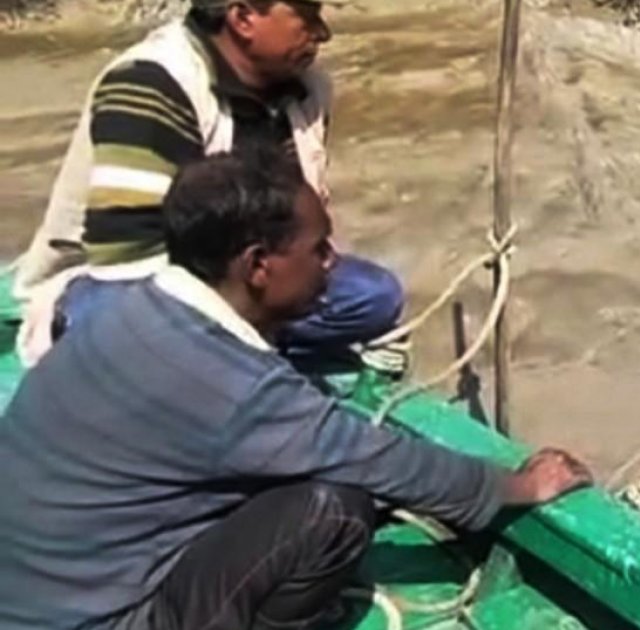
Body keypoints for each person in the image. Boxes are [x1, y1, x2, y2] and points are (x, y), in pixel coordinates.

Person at [0, 148, 593, 629]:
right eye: (318, 249)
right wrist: (519, 485)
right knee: (335, 509)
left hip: (33, 597)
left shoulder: (133, 311)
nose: (333, 263)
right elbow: (386, 462)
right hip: (102, 619)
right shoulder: (239, 389)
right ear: (258, 265)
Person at [12, 0, 403, 366]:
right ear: (243, 18)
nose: (322, 34)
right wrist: (236, 312)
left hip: (251, 279)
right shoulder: (151, 84)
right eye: (307, 15)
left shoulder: (307, 89)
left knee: (372, 297)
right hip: (129, 285)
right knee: (120, 324)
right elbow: (127, 260)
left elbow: (297, 222)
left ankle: (219, 355)